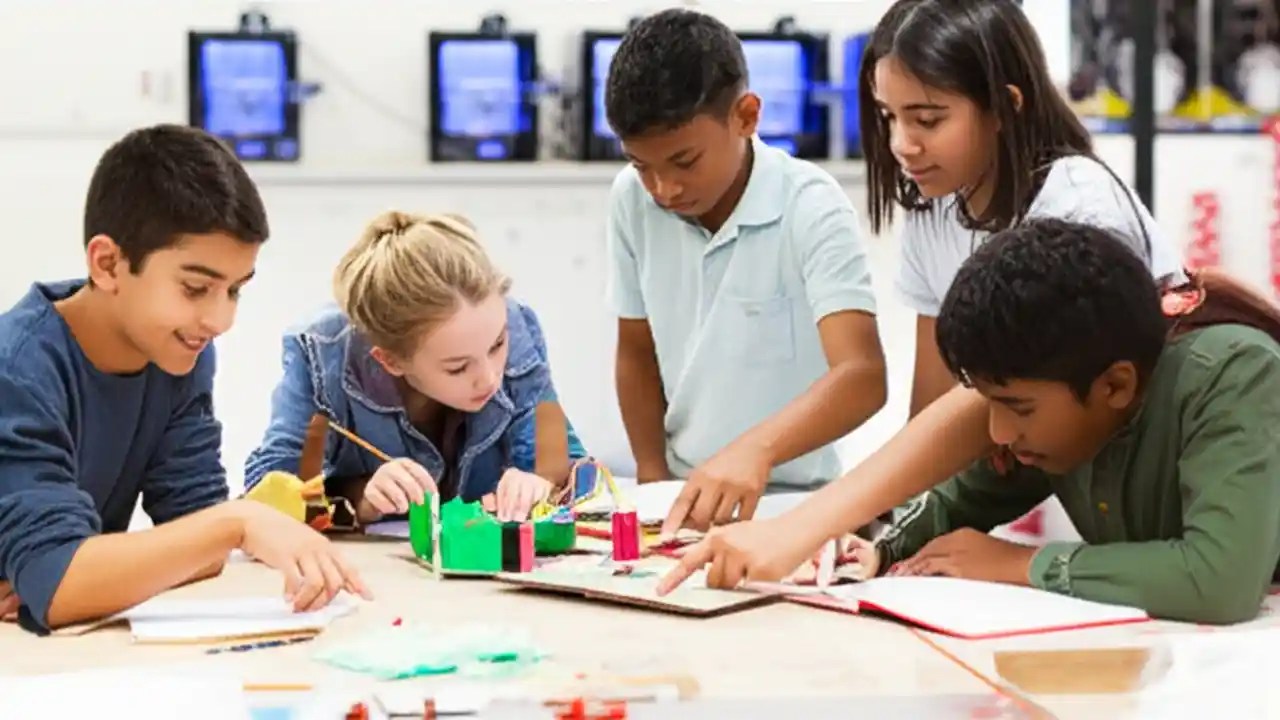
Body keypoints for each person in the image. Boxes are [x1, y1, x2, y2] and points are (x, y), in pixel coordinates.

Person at [663, 219, 1280, 625]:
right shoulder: (1058, 413)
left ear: (1115, 385)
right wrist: (876, 554)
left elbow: (1219, 580)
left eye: (1017, 409)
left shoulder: (1232, 374)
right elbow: (969, 493)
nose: (999, 434)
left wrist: (1021, 565)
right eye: (989, 404)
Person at [0, 124, 369, 635]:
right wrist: (235, 523)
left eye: (235, 290)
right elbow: (63, 585)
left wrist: (80, 576)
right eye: (196, 288)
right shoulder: (17, 369)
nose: (220, 320)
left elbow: (197, 543)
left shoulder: (178, 353)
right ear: (108, 264)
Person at [606, 8, 888, 530]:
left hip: (795, 501)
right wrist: (652, 481)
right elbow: (637, 351)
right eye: (642, 165)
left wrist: (756, 451)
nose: (663, 190)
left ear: (747, 116)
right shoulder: (632, 199)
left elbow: (863, 377)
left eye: (685, 162)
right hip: (682, 497)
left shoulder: (810, 204)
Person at [245, 211, 588, 525]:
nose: (489, 377)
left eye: (497, 345)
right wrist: (361, 497)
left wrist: (544, 484)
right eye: (457, 367)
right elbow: (265, 495)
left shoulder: (514, 323)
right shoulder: (321, 353)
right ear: (390, 360)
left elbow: (581, 474)